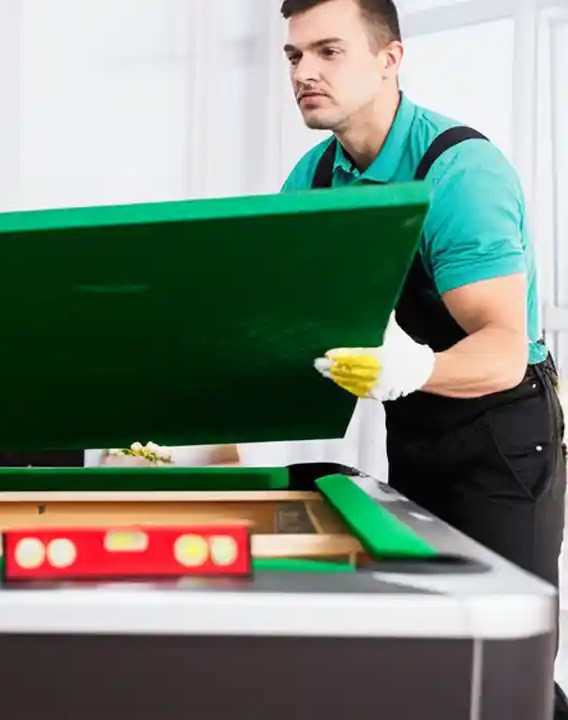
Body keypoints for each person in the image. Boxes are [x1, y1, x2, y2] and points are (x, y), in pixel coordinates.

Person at [280, 0, 567, 716]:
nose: (305, 72)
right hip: (416, 431)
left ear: (389, 59)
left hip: (504, 433)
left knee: (508, 656)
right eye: (293, 56)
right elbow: (272, 318)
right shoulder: (314, 180)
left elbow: (502, 350)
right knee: (436, 645)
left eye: (328, 51)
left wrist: (415, 371)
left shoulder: (461, 172)